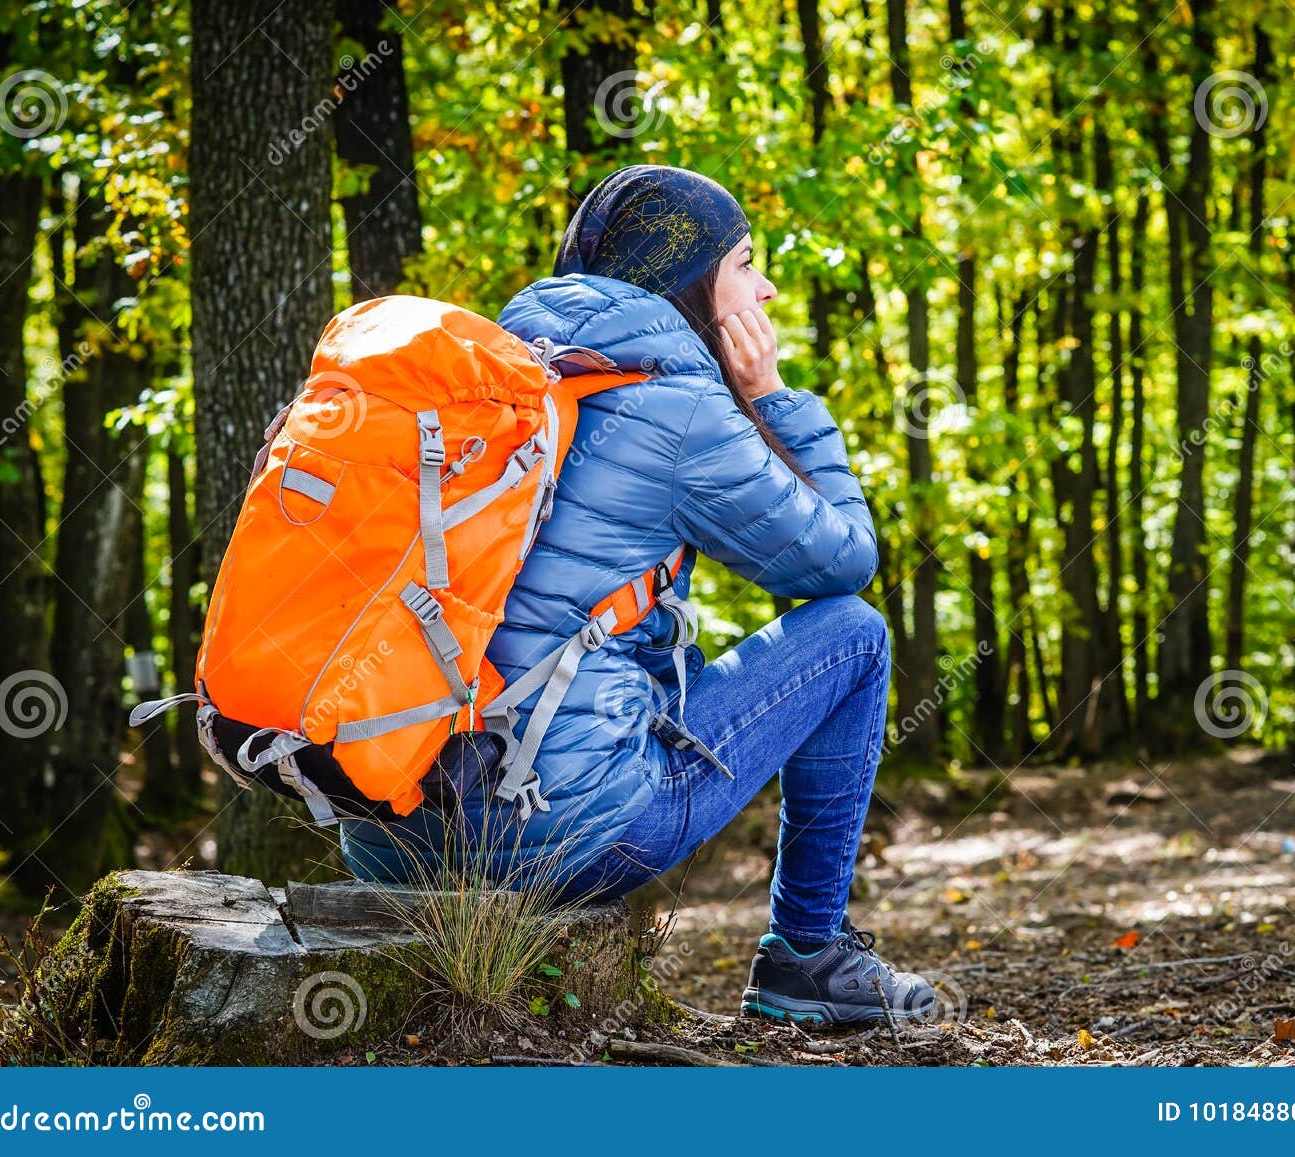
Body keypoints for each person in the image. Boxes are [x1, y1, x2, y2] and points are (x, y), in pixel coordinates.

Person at [340, 163, 936, 1024]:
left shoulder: (481, 377)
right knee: (855, 633)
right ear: (690, 280)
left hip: (387, 829)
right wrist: (773, 396)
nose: (765, 286)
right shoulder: (679, 411)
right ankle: (806, 953)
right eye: (744, 263)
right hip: (565, 832)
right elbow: (842, 561)